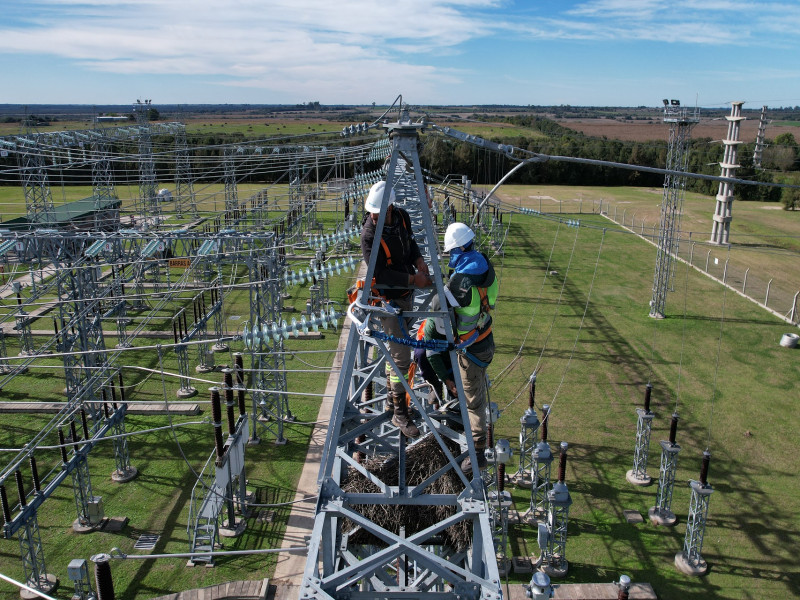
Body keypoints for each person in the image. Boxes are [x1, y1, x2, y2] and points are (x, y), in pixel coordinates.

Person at [361, 181, 432, 437]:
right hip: (387, 301)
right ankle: (400, 413)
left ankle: (393, 400)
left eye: (378, 212)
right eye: (372, 212)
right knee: (401, 356)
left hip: (406, 294)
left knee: (397, 353)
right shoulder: (369, 236)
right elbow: (379, 274)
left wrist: (419, 260)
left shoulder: (402, 217)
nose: (374, 216)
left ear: (390, 208)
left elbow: (410, 245)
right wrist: (414, 279)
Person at [443, 222, 498, 474]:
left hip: (471, 349)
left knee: (473, 402)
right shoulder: (485, 265)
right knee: (475, 391)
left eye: (451, 251)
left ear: (459, 249)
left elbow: (443, 308)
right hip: (485, 340)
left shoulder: (459, 282)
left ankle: (477, 453)